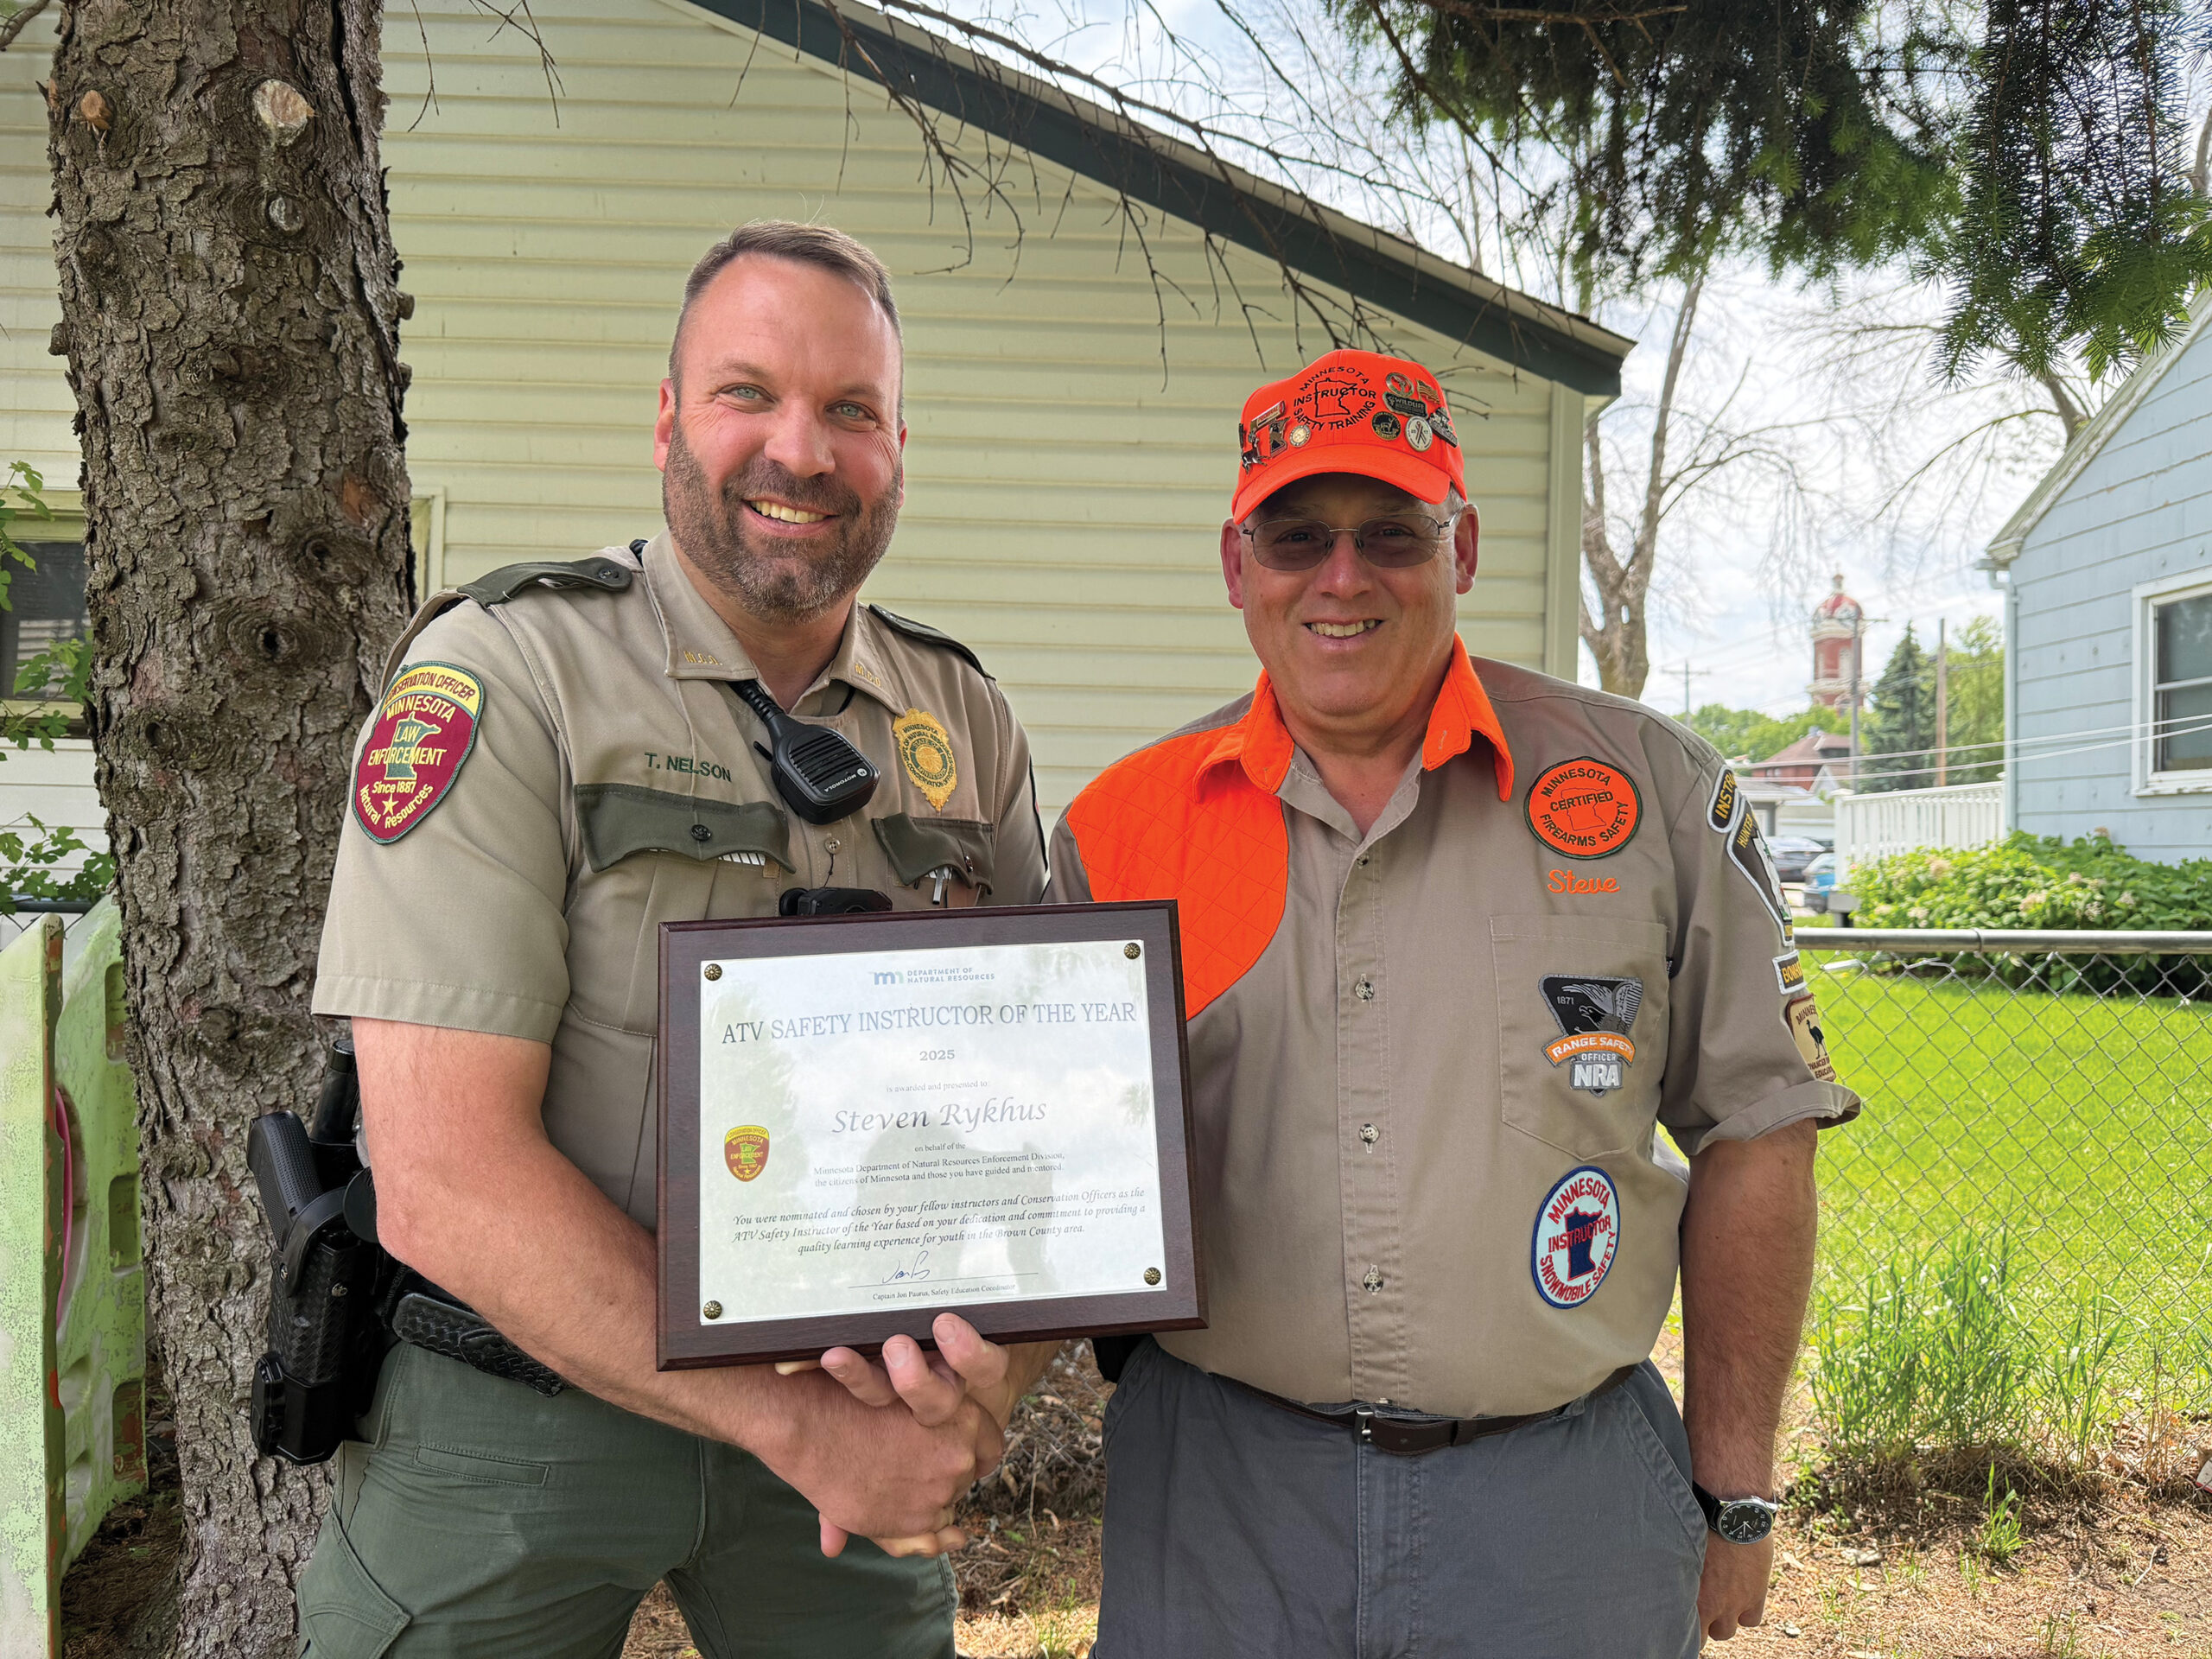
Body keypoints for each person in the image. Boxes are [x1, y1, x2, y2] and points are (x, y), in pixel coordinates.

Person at [298, 220, 1057, 1657]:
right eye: (746, 394)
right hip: (518, 1416)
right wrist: (787, 1421)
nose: (802, 450)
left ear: (900, 443)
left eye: (852, 411)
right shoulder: (508, 675)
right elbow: (444, 1173)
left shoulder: (961, 722)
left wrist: (979, 1396)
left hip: (853, 1421)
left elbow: (1059, 1116)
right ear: (667, 419)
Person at [1047, 348, 1861, 1656]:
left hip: (1564, 1512)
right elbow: (1039, 1174)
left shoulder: (1649, 793)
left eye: (1394, 533)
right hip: (1221, 1504)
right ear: (1235, 564)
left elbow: (1761, 1129)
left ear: (1464, 547)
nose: (1343, 576)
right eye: (1296, 535)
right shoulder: (1118, 831)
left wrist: (1737, 1489)